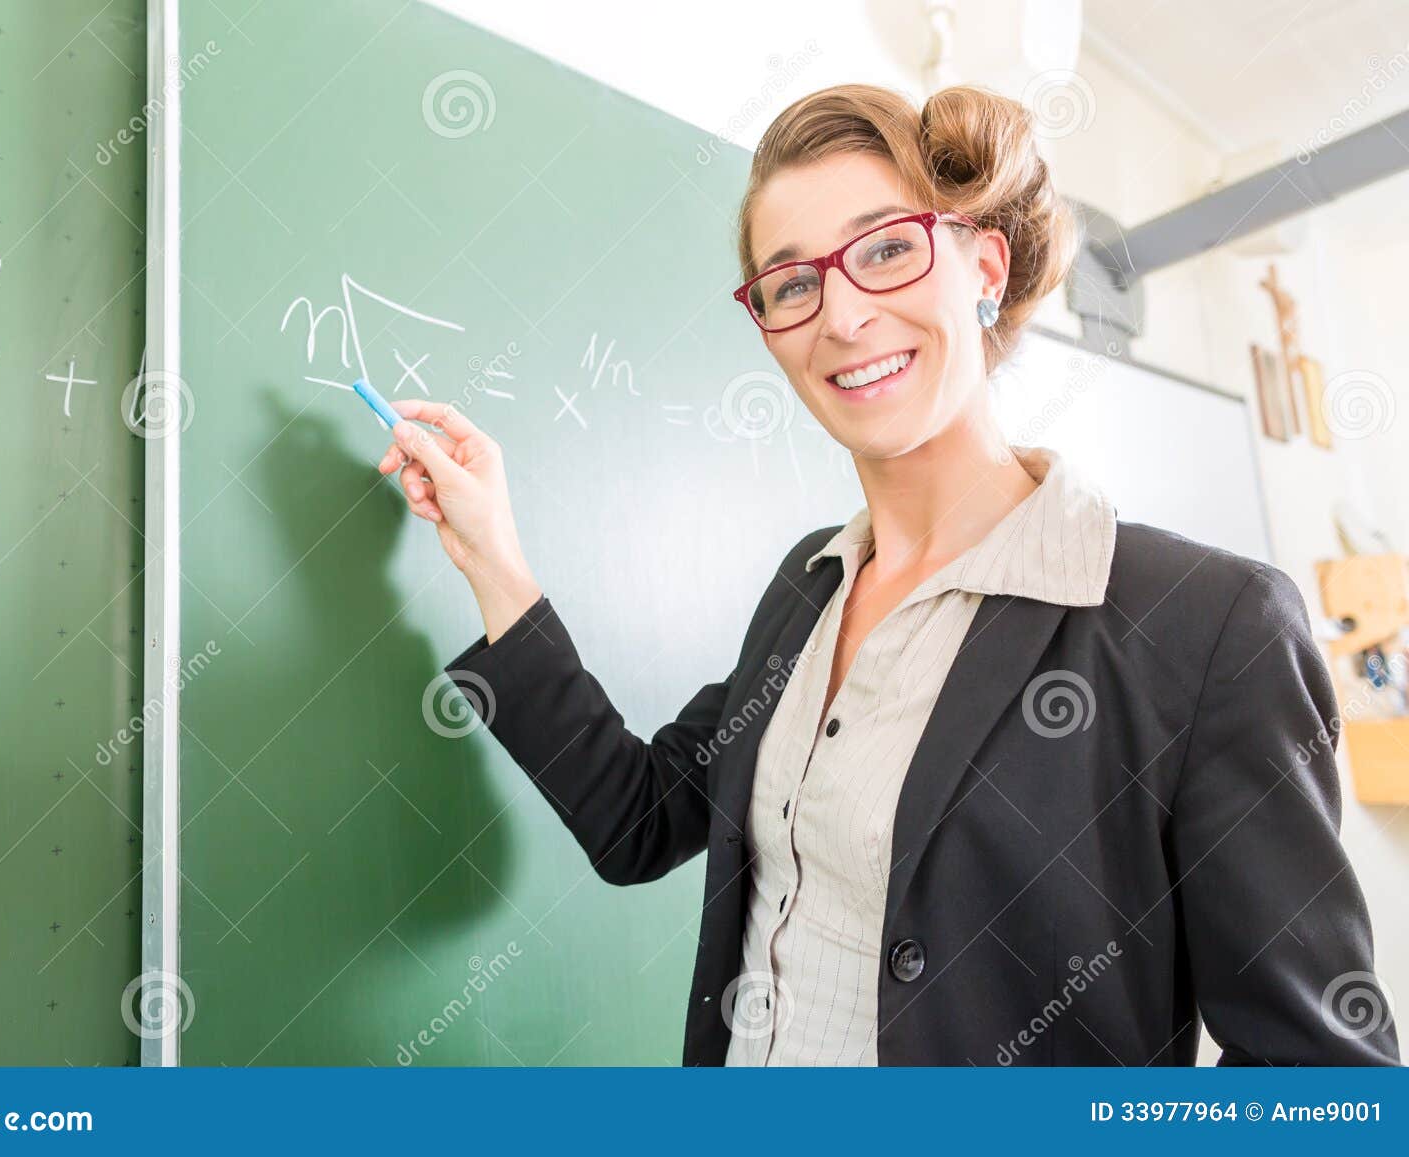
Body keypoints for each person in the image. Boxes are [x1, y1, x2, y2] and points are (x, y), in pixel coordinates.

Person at [374, 83, 1399, 1067]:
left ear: (984, 268)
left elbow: (1312, 1080)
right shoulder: (806, 587)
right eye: (791, 281)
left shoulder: (1204, 629)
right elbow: (637, 821)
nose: (843, 313)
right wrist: (490, 555)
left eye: (888, 249)